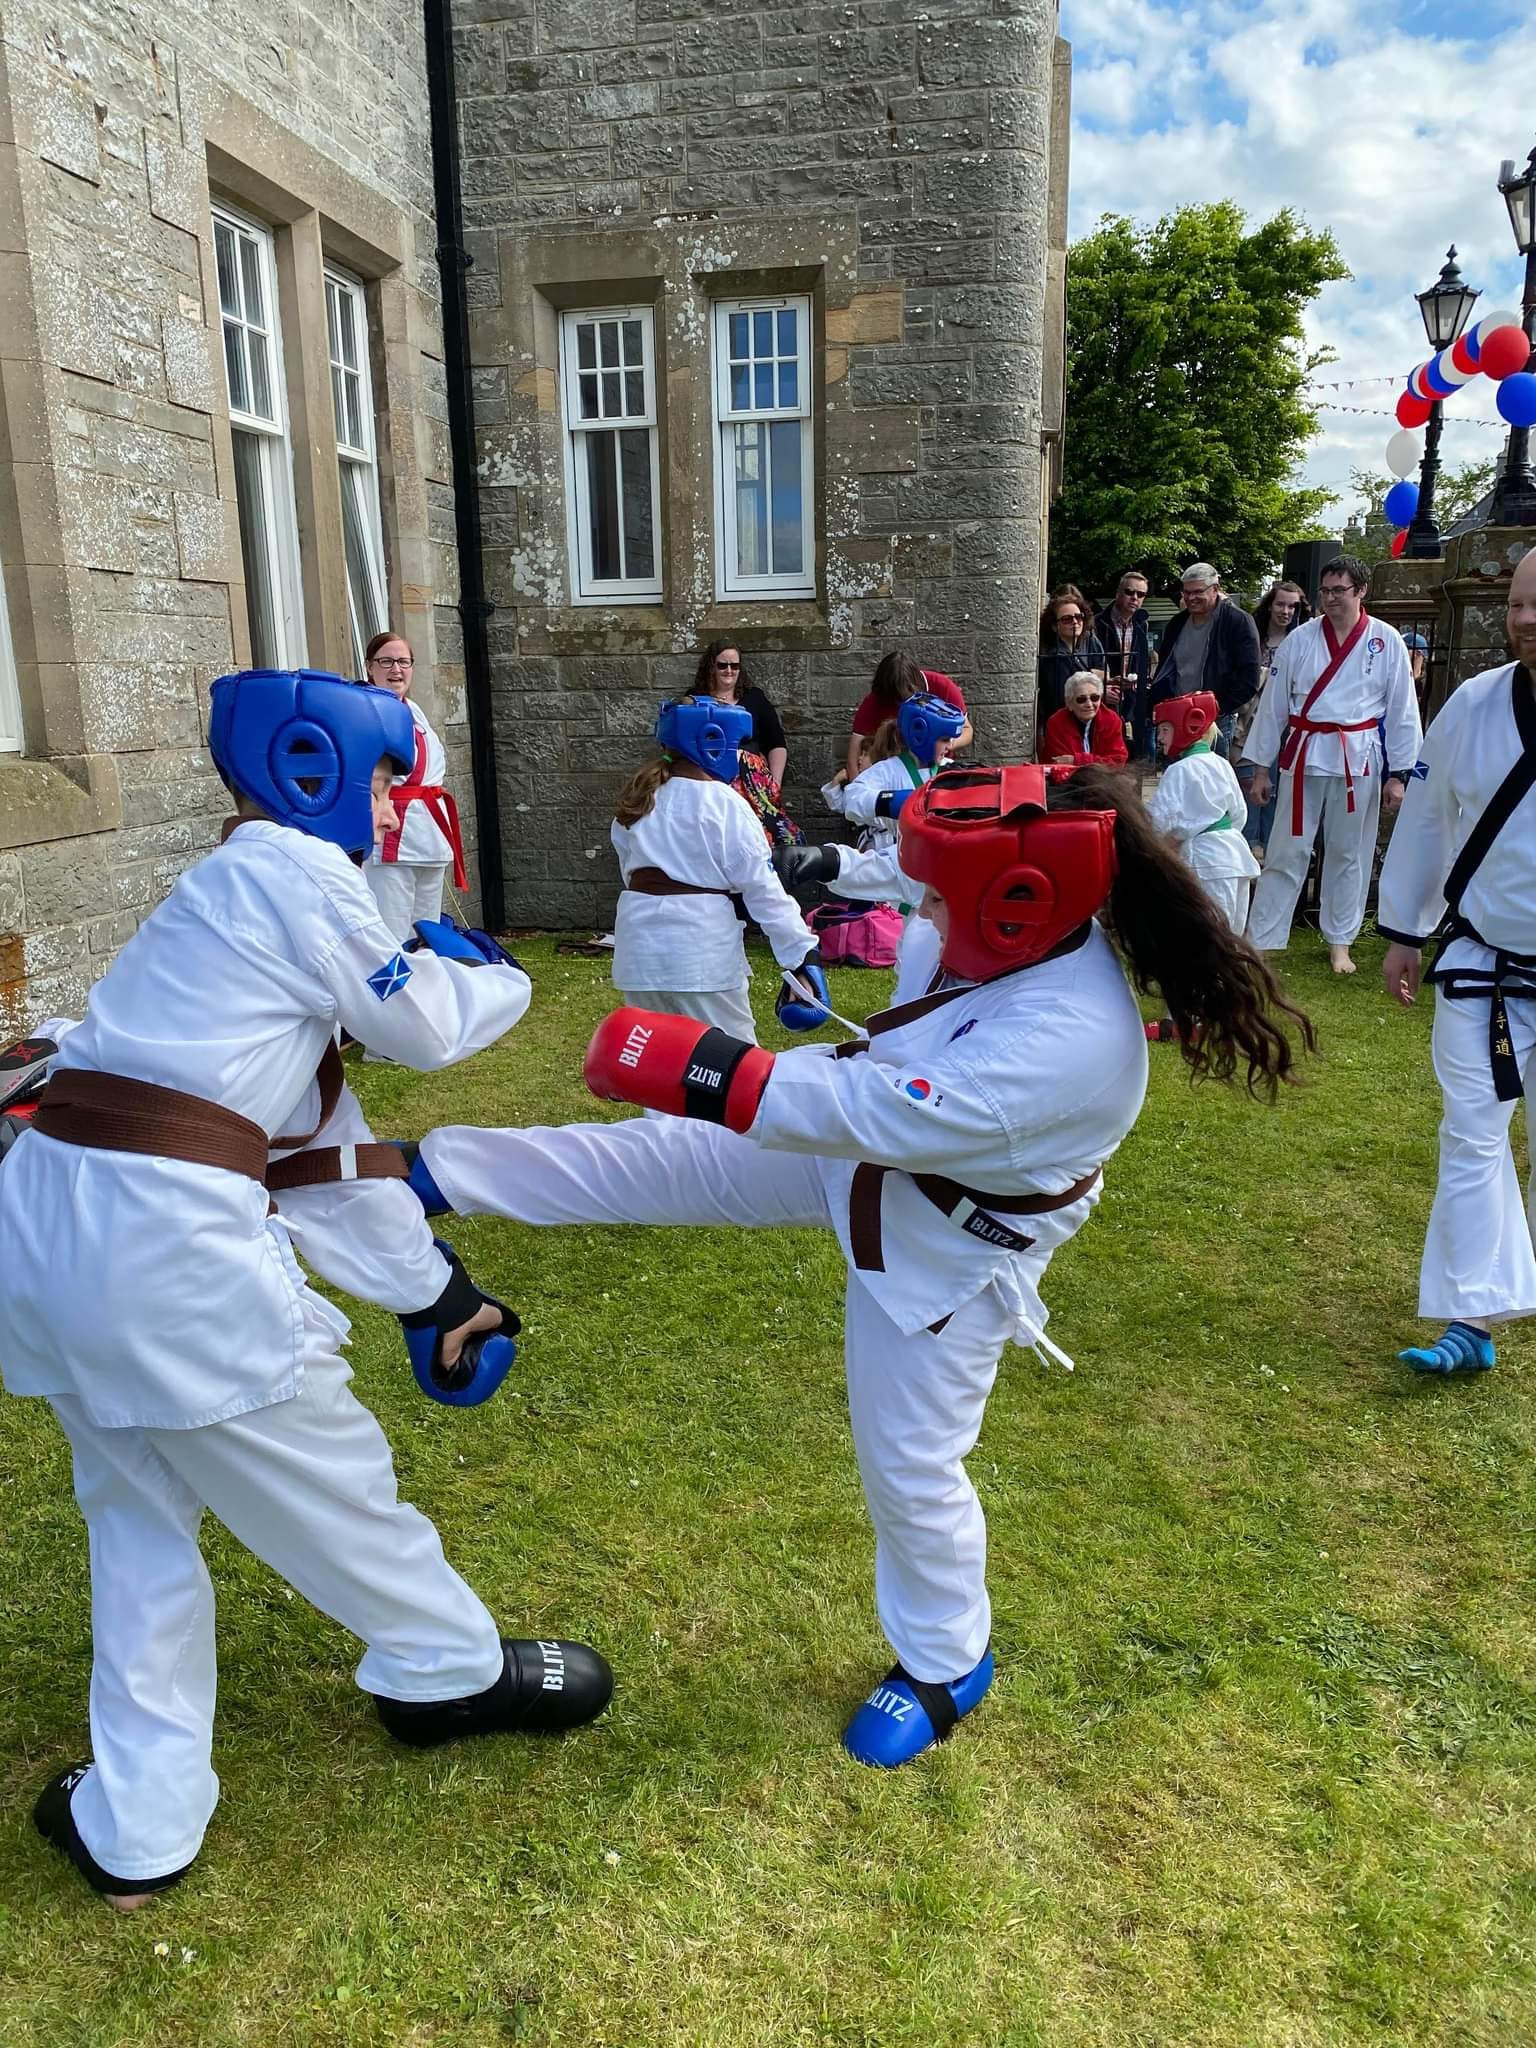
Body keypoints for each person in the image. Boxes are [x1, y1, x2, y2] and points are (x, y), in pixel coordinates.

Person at [402, 764, 1313, 1772]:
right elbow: (906, 916)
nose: (921, 907)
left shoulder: (1071, 1037)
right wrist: (837, 863)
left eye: (936, 892)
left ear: (1020, 905)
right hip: (884, 1150)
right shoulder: (989, 924)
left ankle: (945, 1661)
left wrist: (707, 1065)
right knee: (659, 1156)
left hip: (949, 1244)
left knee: (910, 1464)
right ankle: (438, 1171)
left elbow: (861, 1111)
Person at [0, 670, 613, 1908]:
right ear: (315, 765)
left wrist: (433, 1293)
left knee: (136, 1519)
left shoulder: (218, 907)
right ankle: (444, 1671)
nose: (393, 807)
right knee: (328, 1477)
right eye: (387, 777)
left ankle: (138, 1826)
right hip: (160, 1254)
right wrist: (495, 969)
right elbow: (431, 1027)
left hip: (53, 1234)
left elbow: (308, 1145)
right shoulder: (291, 871)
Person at [1378, 549, 1536, 1376]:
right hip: (1484, 963)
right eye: (1517, 605)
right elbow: (1430, 822)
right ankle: (1471, 1319)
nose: (1526, 620)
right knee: (1471, 1134)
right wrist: (1406, 928)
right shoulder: (1474, 704)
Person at [611, 695, 829, 1042]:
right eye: (736, 744)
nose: (739, 754)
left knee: (656, 1068)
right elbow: (762, 888)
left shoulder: (639, 800)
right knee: (735, 1069)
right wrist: (803, 956)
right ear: (713, 741)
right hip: (699, 951)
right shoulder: (724, 803)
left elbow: (631, 873)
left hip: (639, 951)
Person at [1242, 555, 1422, 974]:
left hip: (1357, 757)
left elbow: (1402, 710)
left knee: (1348, 853)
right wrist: (1263, 768)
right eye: (1325, 591)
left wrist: (1399, 775)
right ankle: (1264, 939)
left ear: (1361, 592)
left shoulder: (1386, 640)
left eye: (1339, 591)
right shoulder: (1300, 640)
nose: (1330, 599)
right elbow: (1273, 706)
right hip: (1305, 754)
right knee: (1287, 851)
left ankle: (1340, 942)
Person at [362, 632, 467, 941]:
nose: (396, 669)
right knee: (393, 933)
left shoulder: (414, 710)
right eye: (386, 661)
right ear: (370, 667)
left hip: (430, 836)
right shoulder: (364, 711)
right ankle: (394, 990)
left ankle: (425, 988)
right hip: (393, 836)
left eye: (404, 662)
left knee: (427, 934)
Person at [1147, 691, 1260, 936]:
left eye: (1165, 730)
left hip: (1205, 862)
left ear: (1186, 727)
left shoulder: (1178, 770)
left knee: (1208, 933)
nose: (1159, 737)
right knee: (1232, 933)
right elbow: (1239, 814)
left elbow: (1159, 822)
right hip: (1234, 856)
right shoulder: (1222, 763)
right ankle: (1232, 972)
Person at [1149, 564, 1262, 756]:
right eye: (1186, 592)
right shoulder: (1177, 623)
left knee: (1211, 780)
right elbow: (1165, 669)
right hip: (1177, 717)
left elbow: (1249, 677)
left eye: (1198, 592)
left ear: (1215, 589)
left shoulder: (1237, 622)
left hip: (1214, 720)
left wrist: (1218, 707)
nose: (1191, 598)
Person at [837, 690, 969, 849]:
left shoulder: (951, 770)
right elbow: (851, 799)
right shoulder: (889, 770)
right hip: (903, 860)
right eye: (945, 739)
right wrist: (892, 802)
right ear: (921, 736)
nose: (950, 745)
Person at [1234, 581, 1308, 857]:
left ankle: (1273, 846)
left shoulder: (1303, 639)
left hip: (1291, 728)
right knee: (1251, 785)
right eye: (1281, 604)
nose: (1286, 611)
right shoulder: (1254, 637)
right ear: (1270, 605)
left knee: (1280, 789)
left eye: (1293, 606)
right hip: (1251, 724)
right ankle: (1249, 846)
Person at [846, 652, 972, 779]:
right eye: (895, 699)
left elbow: (967, 730)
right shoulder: (875, 700)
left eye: (907, 697)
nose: (901, 703)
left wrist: (945, 744)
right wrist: (855, 789)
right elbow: (853, 758)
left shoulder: (944, 687)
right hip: (893, 774)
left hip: (938, 771)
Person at [1094, 571, 1156, 760]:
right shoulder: (1097, 624)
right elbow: (1089, 662)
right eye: (1129, 592)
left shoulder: (1140, 625)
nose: (1135, 598)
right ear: (1118, 593)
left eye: (1141, 594)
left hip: (1131, 698)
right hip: (1102, 696)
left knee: (1136, 755)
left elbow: (1142, 661)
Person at [1036, 587, 1106, 729]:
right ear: (1055, 626)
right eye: (1067, 619)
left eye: (1079, 617)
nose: (1075, 622)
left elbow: (1105, 675)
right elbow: (1062, 696)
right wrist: (1094, 676)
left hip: (1093, 720)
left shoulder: (1091, 641)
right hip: (1063, 723)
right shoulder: (1052, 656)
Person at [1039, 673, 1130, 769]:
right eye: (1081, 699)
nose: (1089, 704)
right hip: (1067, 781)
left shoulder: (1111, 719)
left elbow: (1118, 761)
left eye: (1094, 698)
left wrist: (1076, 760)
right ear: (1069, 703)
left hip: (1105, 779)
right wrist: (1097, 762)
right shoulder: (1056, 723)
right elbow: (1060, 765)